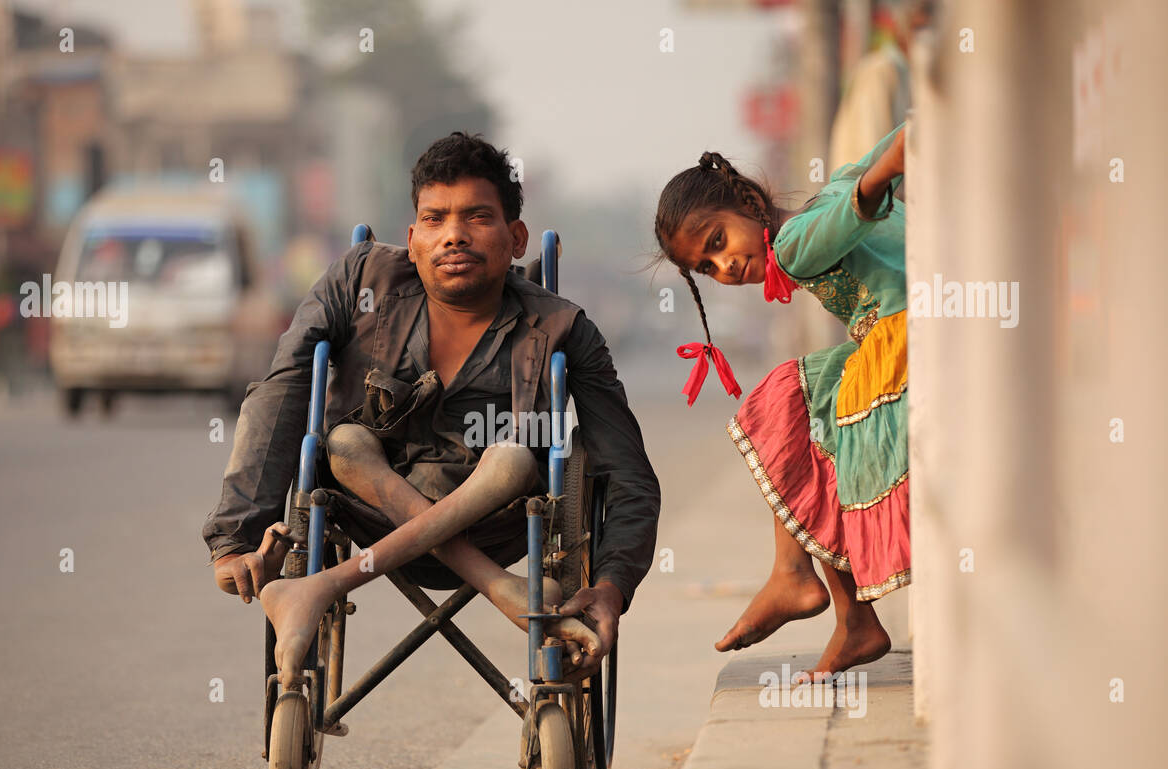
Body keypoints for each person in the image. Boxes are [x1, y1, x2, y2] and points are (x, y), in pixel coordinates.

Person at [203, 132, 661, 692]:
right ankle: (497, 587)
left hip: (501, 519)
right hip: (365, 508)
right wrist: (236, 537)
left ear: (516, 238)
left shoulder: (564, 328)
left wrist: (611, 586)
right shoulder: (358, 282)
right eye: (435, 219)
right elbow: (280, 392)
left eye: (477, 217)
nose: (454, 236)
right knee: (345, 444)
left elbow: (629, 473)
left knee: (513, 458)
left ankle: (316, 589)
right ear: (413, 237)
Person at [654, 122, 909, 682]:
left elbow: (863, 200)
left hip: (909, 342)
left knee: (786, 401)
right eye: (705, 268)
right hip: (906, 333)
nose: (723, 269)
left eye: (718, 242)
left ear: (748, 204)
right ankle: (823, 597)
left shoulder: (794, 245)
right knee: (802, 394)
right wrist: (898, 149)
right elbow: (876, 164)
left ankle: (804, 583)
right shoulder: (837, 184)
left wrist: (890, 165)